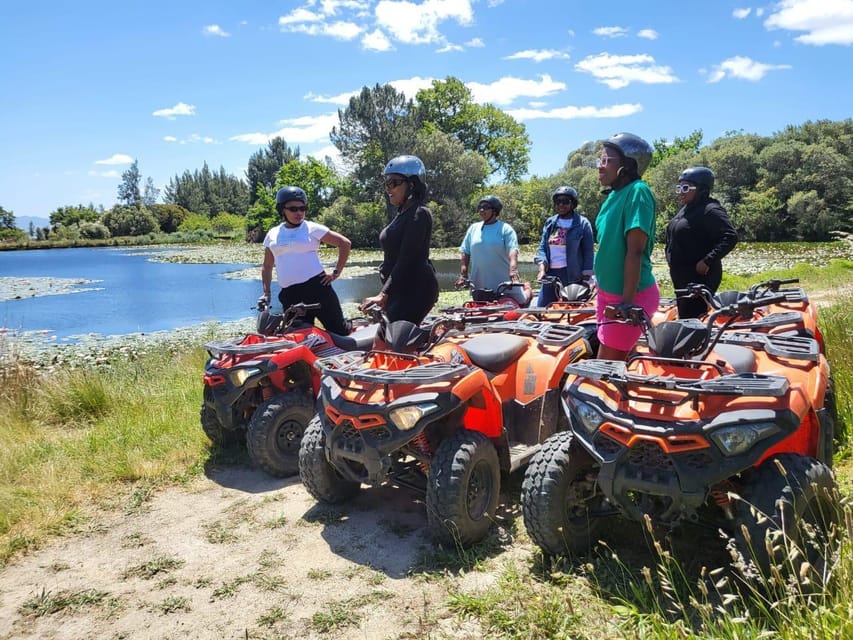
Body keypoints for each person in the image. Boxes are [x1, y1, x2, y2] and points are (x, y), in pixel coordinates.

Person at [594, 132, 660, 361]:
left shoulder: (637, 192)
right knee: (614, 359)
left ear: (627, 166)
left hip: (629, 298)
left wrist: (626, 304)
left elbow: (635, 251)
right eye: (599, 160)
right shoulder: (613, 195)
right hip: (607, 294)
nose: (600, 166)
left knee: (606, 366)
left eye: (606, 160)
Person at [359, 155, 439, 324]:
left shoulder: (419, 213)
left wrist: (383, 294)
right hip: (400, 289)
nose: (388, 188)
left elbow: (407, 260)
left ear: (412, 184)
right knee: (386, 338)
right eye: (386, 183)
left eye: (393, 183)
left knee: (387, 342)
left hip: (416, 290)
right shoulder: (402, 214)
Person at [261, 186, 350, 335]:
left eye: (303, 208)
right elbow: (267, 266)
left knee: (338, 331)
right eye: (293, 209)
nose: (299, 213)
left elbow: (344, 243)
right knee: (296, 336)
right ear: (282, 209)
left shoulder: (311, 228)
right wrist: (266, 293)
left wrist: (336, 273)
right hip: (290, 294)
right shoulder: (273, 233)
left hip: (317, 288)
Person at [665, 166, 738, 319]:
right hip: (681, 276)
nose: (681, 192)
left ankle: (697, 342)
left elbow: (730, 236)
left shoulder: (710, 210)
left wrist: (707, 260)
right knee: (685, 316)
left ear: (701, 189)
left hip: (699, 278)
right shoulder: (687, 209)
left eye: (685, 187)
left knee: (694, 318)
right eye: (679, 187)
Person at [456, 195, 528, 306]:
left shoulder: (505, 229)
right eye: (480, 207)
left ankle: (528, 290)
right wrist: (463, 275)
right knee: (481, 307)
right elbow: (465, 251)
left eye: (485, 207)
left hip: (504, 281)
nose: (481, 210)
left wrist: (513, 270)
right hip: (479, 282)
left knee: (522, 302)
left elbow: (513, 251)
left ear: (494, 210)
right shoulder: (473, 228)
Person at [534, 186, 595, 306]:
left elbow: (588, 251)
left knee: (571, 310)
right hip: (550, 275)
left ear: (573, 204)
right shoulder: (550, 223)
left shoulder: (582, 223)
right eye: (558, 202)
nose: (561, 205)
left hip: (573, 275)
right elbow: (542, 248)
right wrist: (542, 269)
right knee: (541, 307)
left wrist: (587, 276)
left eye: (565, 201)